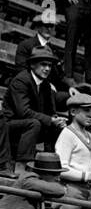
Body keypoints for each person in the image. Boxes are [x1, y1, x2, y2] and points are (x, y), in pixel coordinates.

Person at [1, 47, 65, 176]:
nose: (47, 69)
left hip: (31, 123)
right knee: (34, 123)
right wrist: (49, 119)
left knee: (56, 127)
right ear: (32, 65)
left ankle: (49, 165)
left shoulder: (46, 84)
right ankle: (21, 166)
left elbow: (51, 111)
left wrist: (57, 120)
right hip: (9, 125)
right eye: (43, 64)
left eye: (49, 65)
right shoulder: (21, 80)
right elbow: (23, 112)